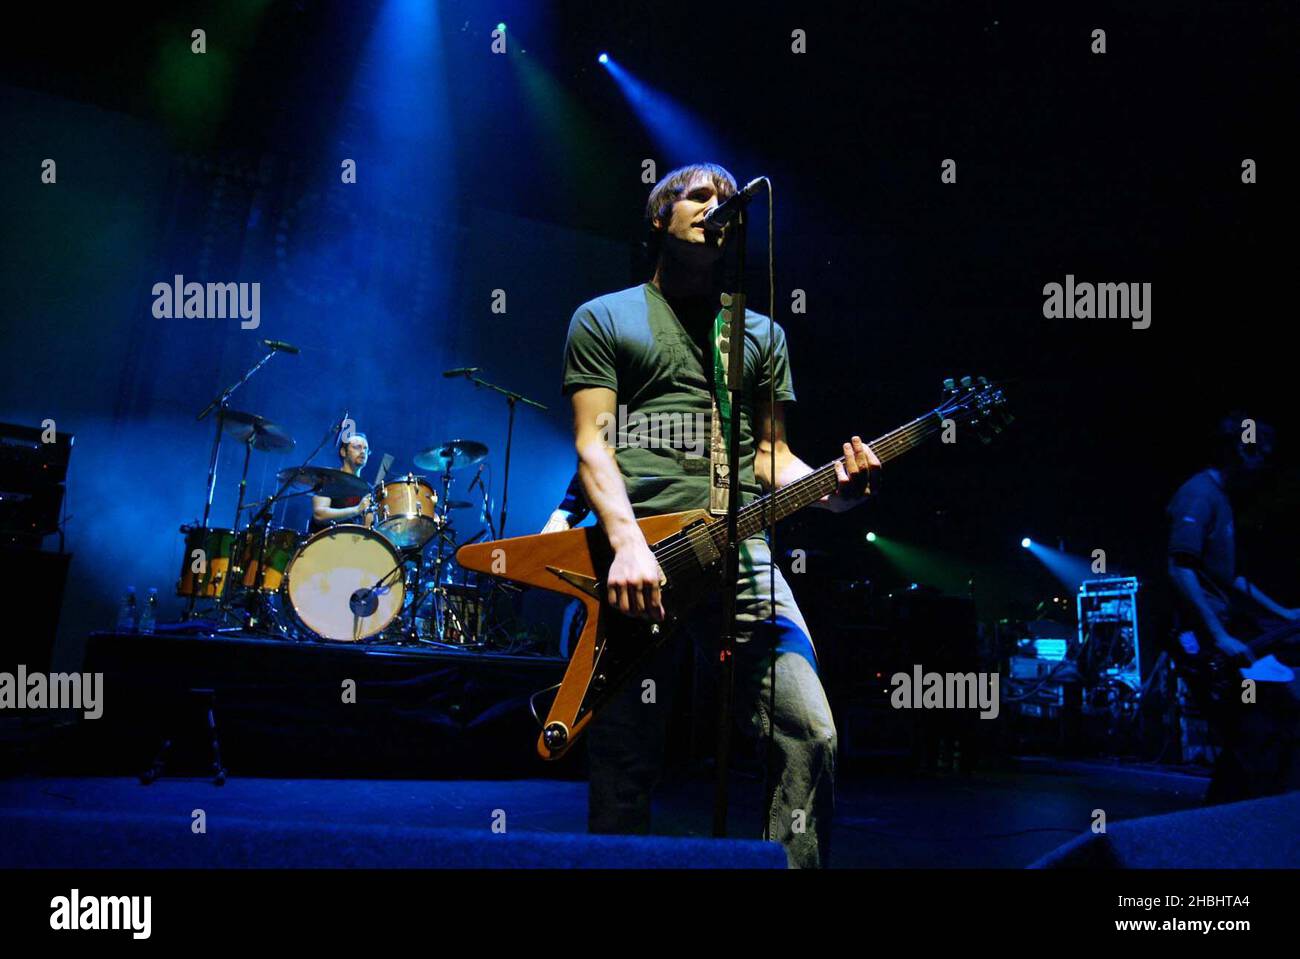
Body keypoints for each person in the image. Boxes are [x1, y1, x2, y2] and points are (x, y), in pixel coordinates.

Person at [562, 162, 879, 868]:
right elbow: (592, 444)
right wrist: (625, 544)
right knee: (626, 763)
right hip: (634, 554)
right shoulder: (604, 316)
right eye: (698, 196)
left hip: (739, 553)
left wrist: (838, 488)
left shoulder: (760, 334)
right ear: (658, 217)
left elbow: (773, 458)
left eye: (728, 199)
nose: (717, 206)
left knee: (810, 731)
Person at [1166, 414, 1300, 802]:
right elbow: (1180, 567)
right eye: (1264, 455)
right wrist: (1220, 636)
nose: (1266, 465)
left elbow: (1231, 578)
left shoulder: (1223, 500)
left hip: (1219, 630)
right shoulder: (1199, 495)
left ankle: (1225, 824)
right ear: (1243, 449)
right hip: (1198, 639)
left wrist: (1284, 614)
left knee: (1257, 731)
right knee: (1253, 728)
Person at [308, 432, 373, 533]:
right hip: (324, 542)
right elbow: (319, 514)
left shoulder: (368, 489)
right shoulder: (329, 478)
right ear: (343, 452)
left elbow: (368, 528)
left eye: (366, 449)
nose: (362, 451)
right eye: (357, 447)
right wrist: (356, 510)